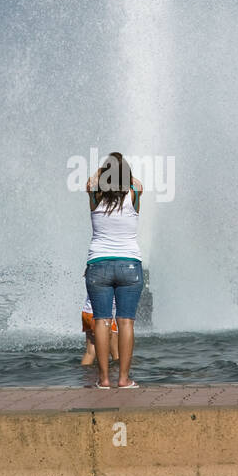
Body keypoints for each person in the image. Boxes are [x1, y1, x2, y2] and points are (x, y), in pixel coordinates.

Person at [84, 152, 144, 389]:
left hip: (98, 264)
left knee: (101, 321)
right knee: (126, 322)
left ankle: (104, 379)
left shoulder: (95, 196)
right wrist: (123, 171)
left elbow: (89, 182)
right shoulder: (134, 194)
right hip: (130, 264)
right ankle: (123, 379)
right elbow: (136, 183)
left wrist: (103, 171)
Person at [80, 296, 119, 367]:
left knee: (90, 352)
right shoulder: (115, 285)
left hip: (87, 313)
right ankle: (117, 375)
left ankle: (83, 374)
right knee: (116, 354)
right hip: (101, 317)